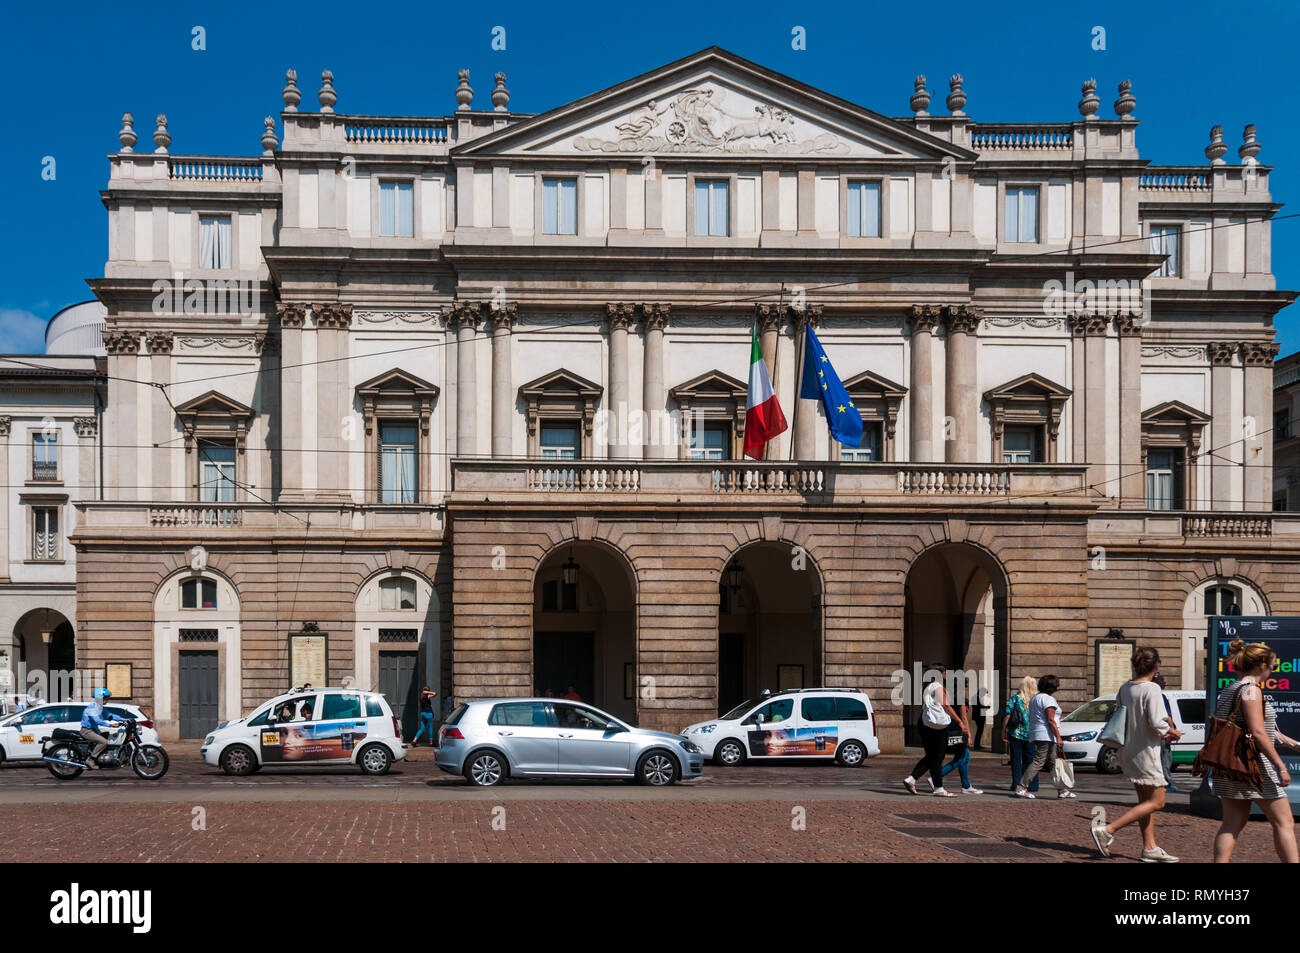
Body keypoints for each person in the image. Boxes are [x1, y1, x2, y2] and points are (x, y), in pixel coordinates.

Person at [1210, 639, 1299, 863]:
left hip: (1230, 766)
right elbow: (1258, 733)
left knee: (1231, 823)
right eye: (1273, 666)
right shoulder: (1251, 691)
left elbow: (1259, 729)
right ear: (1261, 665)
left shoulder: (1232, 688)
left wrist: (1294, 744)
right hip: (1254, 767)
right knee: (1284, 822)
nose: (1273, 670)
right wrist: (1281, 767)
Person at [1090, 647, 1182, 862]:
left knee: (1144, 802)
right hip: (1146, 751)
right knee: (1157, 802)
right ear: (1157, 666)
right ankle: (1108, 830)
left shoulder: (1125, 688)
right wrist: (1171, 731)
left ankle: (1149, 847)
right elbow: (1156, 721)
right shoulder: (1152, 689)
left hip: (1128, 749)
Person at [903, 665, 962, 798]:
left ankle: (912, 779)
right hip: (937, 725)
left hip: (925, 722)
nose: (946, 674)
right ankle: (938, 788)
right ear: (940, 673)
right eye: (945, 672)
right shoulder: (937, 686)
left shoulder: (926, 687)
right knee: (937, 756)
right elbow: (945, 705)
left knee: (932, 756)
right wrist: (959, 721)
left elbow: (923, 705)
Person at [1015, 674, 1073, 798]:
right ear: (1053, 687)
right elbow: (1050, 720)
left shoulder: (1035, 698)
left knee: (1053, 762)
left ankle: (1062, 790)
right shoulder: (1048, 700)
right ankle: (1021, 787)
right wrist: (1058, 737)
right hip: (1046, 734)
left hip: (1038, 733)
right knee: (1039, 761)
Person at [1003, 676, 1039, 793]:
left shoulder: (1015, 698)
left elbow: (1008, 715)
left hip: (1015, 733)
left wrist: (1004, 730)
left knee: (1016, 759)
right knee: (1031, 760)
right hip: (1032, 734)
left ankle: (1016, 785)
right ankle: (1031, 785)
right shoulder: (1037, 700)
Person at [938, 702, 982, 794]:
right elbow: (964, 718)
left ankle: (966, 785)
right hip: (959, 732)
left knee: (965, 757)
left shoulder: (949, 697)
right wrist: (969, 735)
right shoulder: (960, 697)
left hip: (950, 729)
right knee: (962, 757)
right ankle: (937, 776)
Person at [80, 687, 126, 770]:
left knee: (107, 737)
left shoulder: (100, 708)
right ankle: (90, 760)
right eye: (106, 698)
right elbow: (97, 721)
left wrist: (124, 719)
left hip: (94, 730)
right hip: (87, 731)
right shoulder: (92, 708)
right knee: (103, 742)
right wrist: (111, 725)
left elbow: (110, 715)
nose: (107, 700)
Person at [1151, 671, 1178, 792]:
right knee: (1165, 758)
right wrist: (1172, 730)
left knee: (1160, 758)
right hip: (1163, 732)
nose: (1165, 682)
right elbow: (1168, 717)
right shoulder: (1160, 696)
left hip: (1156, 732)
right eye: (1161, 680)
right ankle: (1167, 782)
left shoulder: (1156, 695)